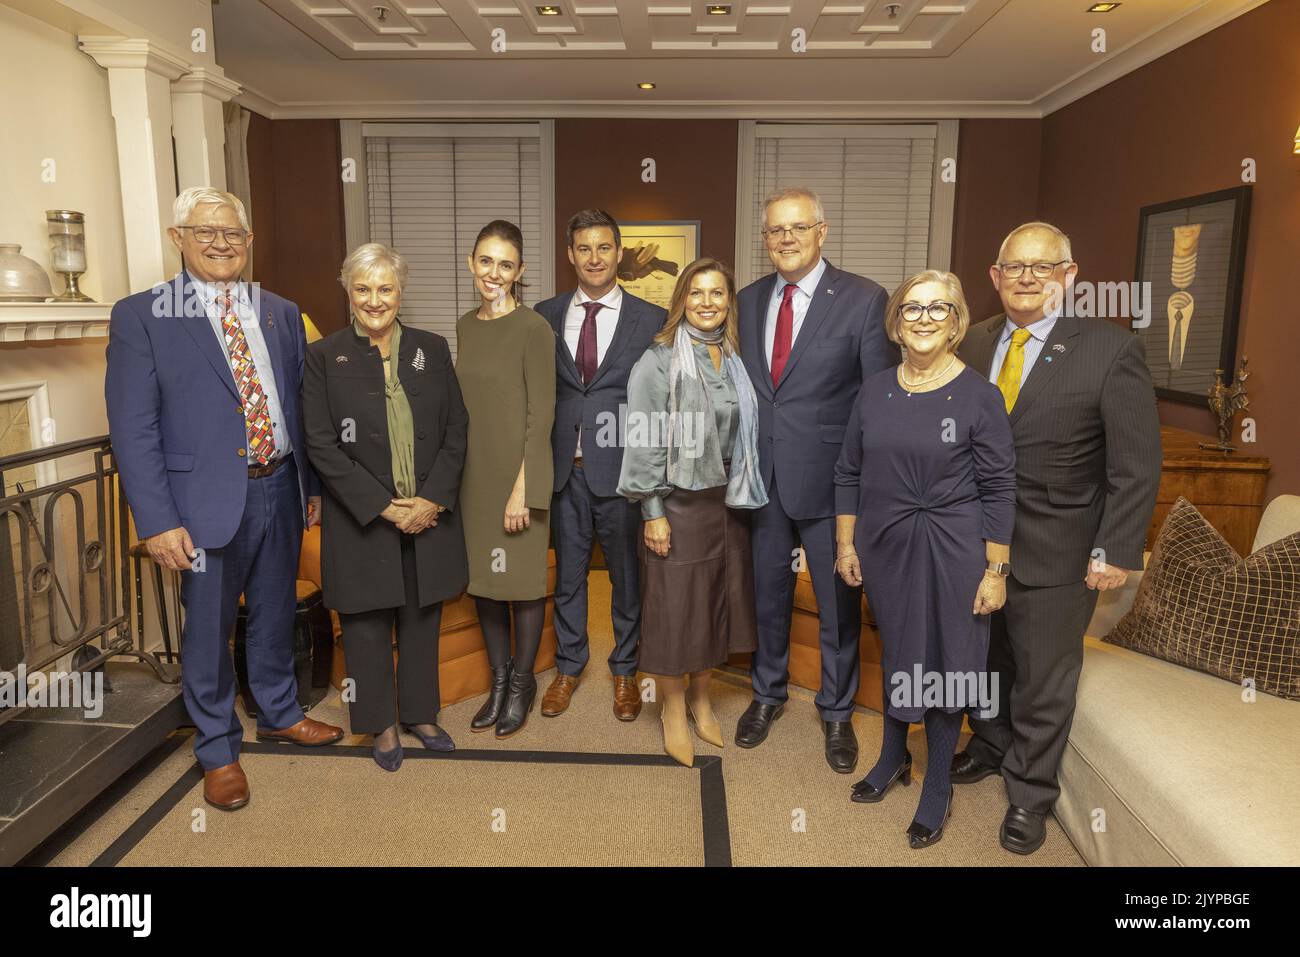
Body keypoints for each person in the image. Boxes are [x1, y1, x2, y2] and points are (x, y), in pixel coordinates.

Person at [105, 186, 343, 812]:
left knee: (272, 613)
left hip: (281, 488)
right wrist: (157, 521)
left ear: (249, 241)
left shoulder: (281, 313)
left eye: (232, 232)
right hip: (199, 504)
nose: (219, 242)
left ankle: (280, 711)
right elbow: (134, 428)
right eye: (204, 230)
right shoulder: (143, 316)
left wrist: (310, 486)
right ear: (177, 237)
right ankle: (216, 748)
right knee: (209, 628)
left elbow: (300, 408)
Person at [952, 222, 1162, 854]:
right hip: (978, 543)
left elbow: (1136, 462)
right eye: (1014, 267)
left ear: (1069, 277)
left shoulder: (1109, 348)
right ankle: (989, 744)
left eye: (1042, 268)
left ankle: (1030, 793)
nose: (1025, 278)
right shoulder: (972, 340)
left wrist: (1118, 548)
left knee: (1044, 675)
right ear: (994, 277)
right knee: (987, 660)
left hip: (1061, 545)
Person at [834, 271, 1016, 849]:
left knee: (948, 660)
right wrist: (846, 543)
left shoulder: (979, 395)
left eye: (938, 308)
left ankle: (937, 782)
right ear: (896, 321)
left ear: (958, 321)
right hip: (886, 543)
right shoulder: (876, 389)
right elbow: (848, 472)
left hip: (957, 547)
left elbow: (1000, 488)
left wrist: (996, 570)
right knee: (900, 649)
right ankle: (893, 757)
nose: (923, 318)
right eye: (911, 308)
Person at [735, 186, 900, 773]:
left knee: (837, 603)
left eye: (798, 228)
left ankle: (836, 711)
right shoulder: (748, 300)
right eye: (776, 230)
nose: (786, 239)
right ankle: (767, 694)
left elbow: (877, 401)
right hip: (763, 481)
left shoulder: (862, 299)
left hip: (836, 486)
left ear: (821, 232)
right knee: (768, 596)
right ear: (765, 239)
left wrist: (867, 485)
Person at [303, 243, 469, 771]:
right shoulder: (325, 357)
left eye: (385, 288)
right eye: (363, 289)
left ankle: (420, 713)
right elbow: (321, 443)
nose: (375, 300)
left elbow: (457, 430)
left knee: (422, 618)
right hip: (363, 519)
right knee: (366, 624)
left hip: (428, 512)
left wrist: (433, 499)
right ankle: (380, 725)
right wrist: (384, 506)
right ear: (348, 292)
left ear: (401, 292)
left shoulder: (432, 348)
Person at [617, 258, 767, 767]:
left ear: (729, 301)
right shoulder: (659, 360)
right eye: (697, 293)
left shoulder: (732, 356)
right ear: (682, 299)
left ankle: (703, 698)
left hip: (728, 499)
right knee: (675, 611)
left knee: (713, 605)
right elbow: (641, 440)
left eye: (717, 293)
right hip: (677, 502)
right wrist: (652, 511)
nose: (708, 302)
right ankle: (673, 708)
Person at [534, 210, 666, 721]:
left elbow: (661, 400)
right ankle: (568, 667)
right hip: (564, 470)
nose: (594, 258)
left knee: (626, 579)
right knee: (568, 577)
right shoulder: (543, 315)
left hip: (625, 472)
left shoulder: (651, 320)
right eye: (584, 248)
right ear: (571, 254)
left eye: (604, 248)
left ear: (619, 252)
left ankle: (626, 672)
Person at [455, 220, 557, 738]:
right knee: (486, 586)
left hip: (519, 476)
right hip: (474, 479)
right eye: (486, 261)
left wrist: (525, 488)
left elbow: (543, 416)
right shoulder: (466, 325)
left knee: (522, 585)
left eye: (506, 264)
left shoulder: (534, 329)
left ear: (519, 272)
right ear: (472, 263)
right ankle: (497, 683)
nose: (494, 273)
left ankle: (522, 683)